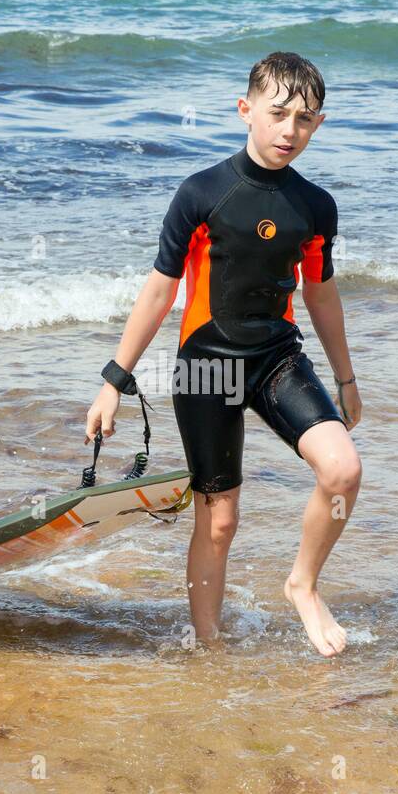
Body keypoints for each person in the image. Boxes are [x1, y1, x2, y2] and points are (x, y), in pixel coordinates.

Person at [86, 51, 362, 657]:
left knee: (342, 469)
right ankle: (208, 648)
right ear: (246, 110)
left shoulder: (316, 207)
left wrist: (345, 377)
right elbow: (160, 288)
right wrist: (115, 379)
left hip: (276, 359)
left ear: (319, 124)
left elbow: (319, 292)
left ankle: (303, 585)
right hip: (206, 363)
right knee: (219, 517)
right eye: (279, 113)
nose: (291, 130)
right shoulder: (202, 192)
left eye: (307, 119)